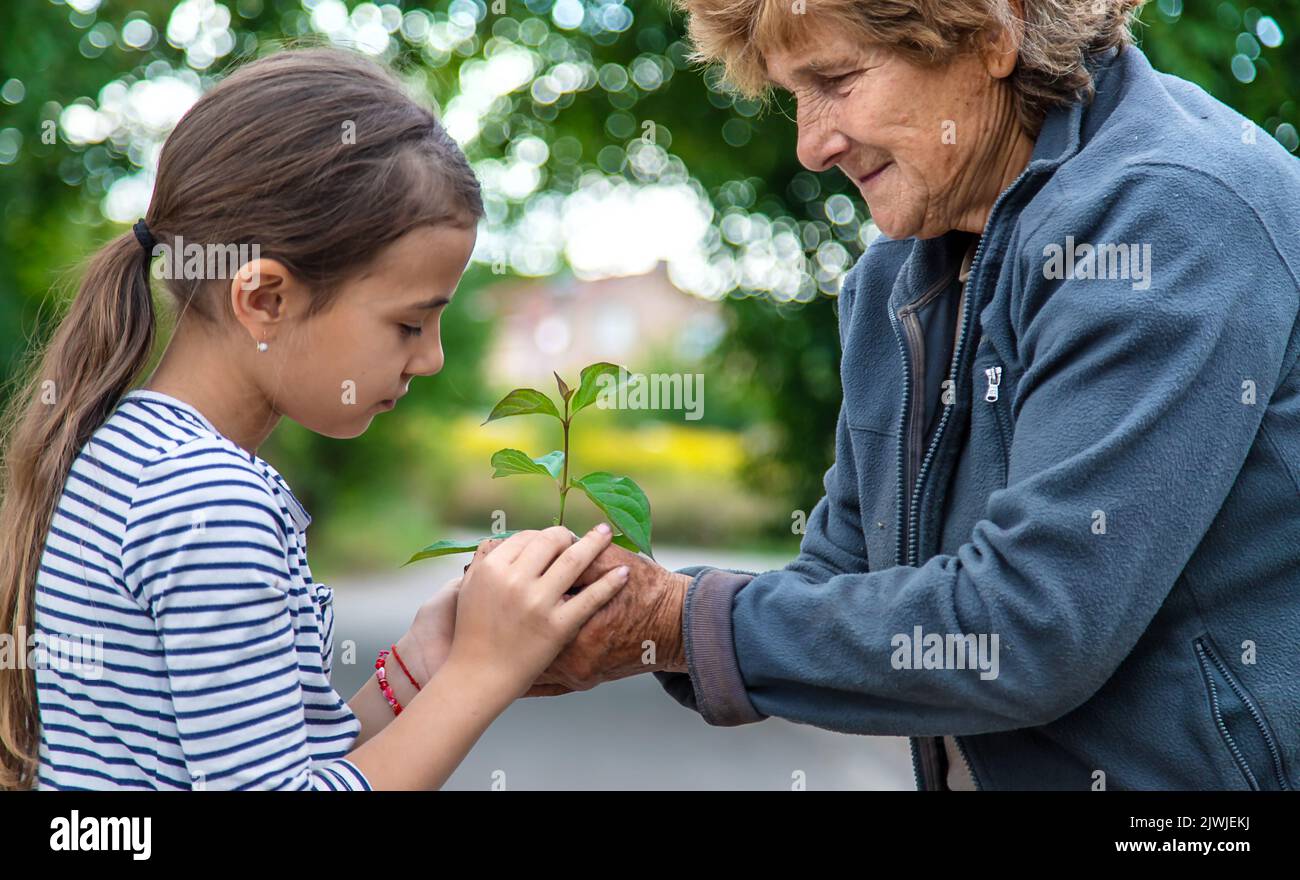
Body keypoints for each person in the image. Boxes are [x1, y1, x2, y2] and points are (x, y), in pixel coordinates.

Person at [506, 0, 1300, 790]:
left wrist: (678, 621)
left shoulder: (1164, 216)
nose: (811, 146)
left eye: (838, 80)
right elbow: (843, 580)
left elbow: (1028, 628)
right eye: (793, 96)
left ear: (993, 33)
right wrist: (617, 604)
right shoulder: (899, 277)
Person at [0, 48, 629, 791]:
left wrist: (415, 672)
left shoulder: (121, 450)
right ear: (264, 299)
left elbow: (263, 762)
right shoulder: (211, 502)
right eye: (408, 324)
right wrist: (485, 671)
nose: (430, 360)